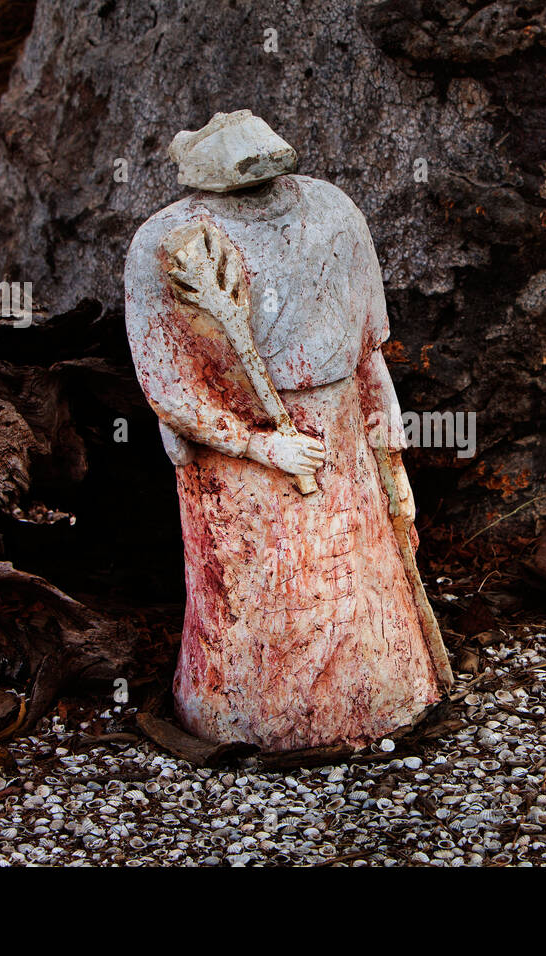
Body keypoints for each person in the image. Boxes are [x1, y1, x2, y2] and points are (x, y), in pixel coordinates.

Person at [124, 111, 451, 751]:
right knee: (261, 594)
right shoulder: (166, 240)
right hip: (241, 455)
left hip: (342, 438)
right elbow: (170, 386)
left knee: (355, 580)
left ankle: (380, 696)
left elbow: (369, 354)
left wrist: (392, 456)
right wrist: (262, 445)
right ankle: (252, 718)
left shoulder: (332, 212)